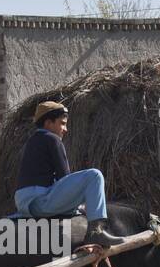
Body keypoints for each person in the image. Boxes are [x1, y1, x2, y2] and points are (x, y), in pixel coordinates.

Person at [14, 101, 124, 248]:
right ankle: (95, 232)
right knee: (94, 175)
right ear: (48, 123)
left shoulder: (32, 141)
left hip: (25, 203)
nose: (65, 129)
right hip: (40, 201)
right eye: (62, 123)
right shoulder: (52, 139)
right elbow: (64, 177)